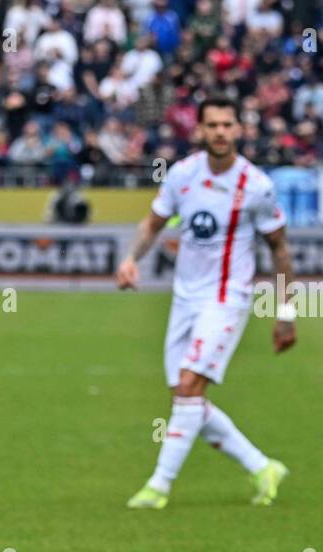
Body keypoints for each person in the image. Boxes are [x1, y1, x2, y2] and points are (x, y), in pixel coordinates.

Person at [115, 95, 296, 509]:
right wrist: (129, 258)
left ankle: (159, 486)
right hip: (185, 299)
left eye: (227, 125)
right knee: (187, 396)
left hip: (226, 298)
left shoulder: (257, 186)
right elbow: (154, 223)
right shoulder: (182, 174)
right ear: (199, 129)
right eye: (212, 125)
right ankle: (262, 466)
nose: (220, 132)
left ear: (240, 129)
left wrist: (286, 312)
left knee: (190, 387)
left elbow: (280, 248)